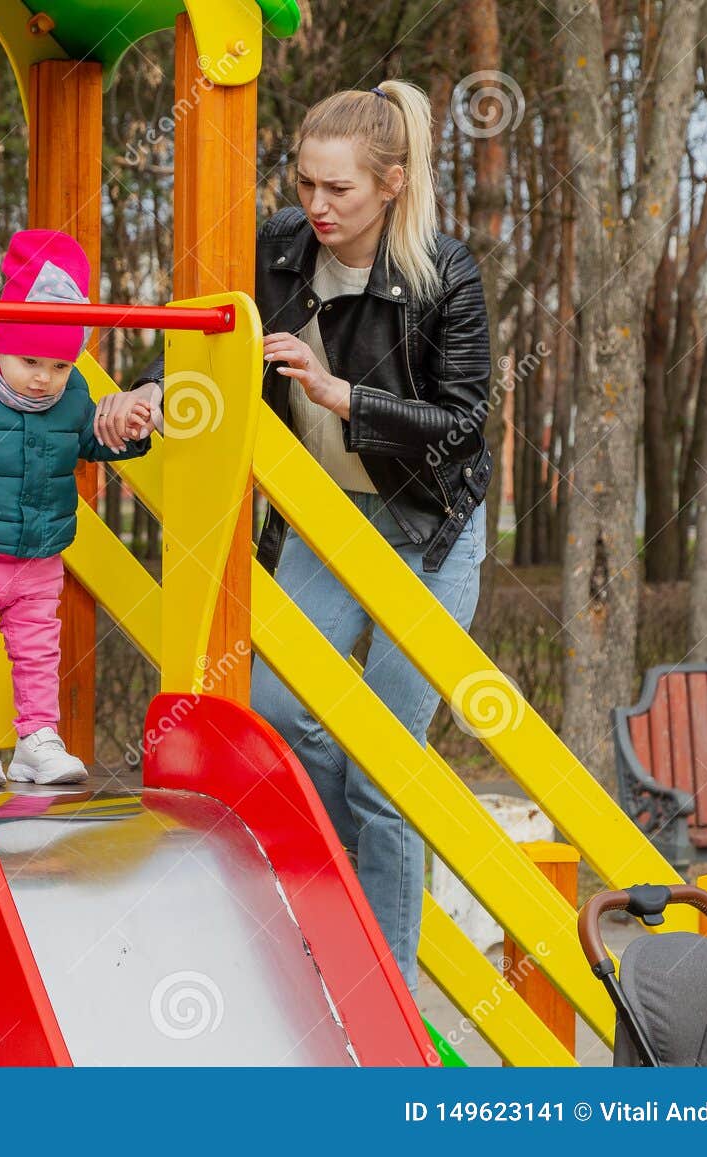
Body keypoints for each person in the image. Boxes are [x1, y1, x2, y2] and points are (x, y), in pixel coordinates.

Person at [111, 79, 492, 994]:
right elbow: (213, 340)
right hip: (326, 519)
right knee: (282, 711)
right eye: (306, 183)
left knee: (386, 767)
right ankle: (333, 905)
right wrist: (153, 389)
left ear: (392, 184)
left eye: (340, 190)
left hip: (428, 529)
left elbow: (466, 418)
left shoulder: (444, 272)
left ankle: (385, 989)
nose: (316, 206)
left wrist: (342, 396)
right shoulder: (280, 248)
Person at [0, 228, 160, 788]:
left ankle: (37, 739)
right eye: (31, 361)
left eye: (60, 366)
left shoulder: (69, 396)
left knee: (39, 648)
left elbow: (89, 439)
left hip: (39, 554)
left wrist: (129, 431)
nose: (44, 379)